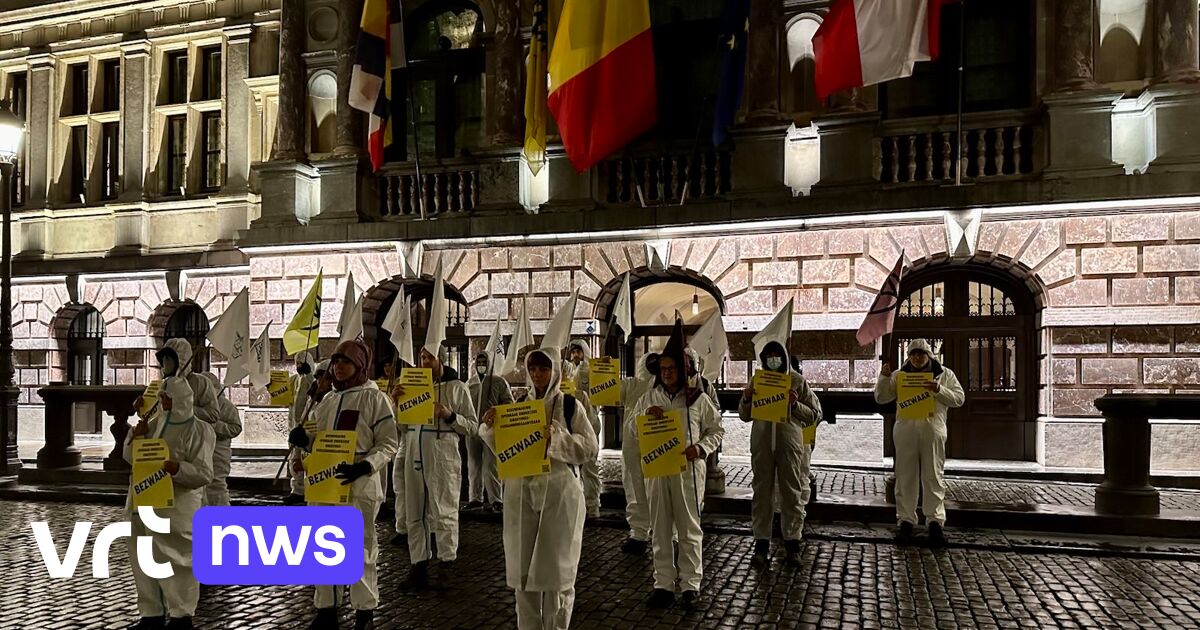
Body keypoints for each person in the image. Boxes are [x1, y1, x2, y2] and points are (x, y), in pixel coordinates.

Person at [479, 348, 598, 630]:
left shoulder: (570, 406)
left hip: (559, 494)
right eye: (533, 370)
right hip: (521, 493)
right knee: (523, 574)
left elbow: (590, 447)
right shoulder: (519, 404)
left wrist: (557, 438)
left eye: (543, 369)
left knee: (557, 572)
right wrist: (492, 426)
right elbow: (503, 447)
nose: (537, 375)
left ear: (554, 371)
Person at [289, 340, 398, 630]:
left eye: (345, 362)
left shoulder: (375, 399)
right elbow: (322, 442)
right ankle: (326, 608)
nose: (338, 367)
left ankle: (364, 612)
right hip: (325, 485)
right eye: (335, 362)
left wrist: (366, 465)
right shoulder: (326, 401)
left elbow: (389, 443)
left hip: (358, 484)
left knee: (360, 548)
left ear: (360, 365)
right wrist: (306, 441)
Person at [632, 327, 724, 609]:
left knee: (688, 529)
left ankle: (690, 585)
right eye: (663, 368)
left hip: (688, 473)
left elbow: (716, 431)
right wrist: (646, 418)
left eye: (672, 368)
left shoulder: (698, 399)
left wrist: (700, 449)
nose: (667, 372)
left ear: (682, 370)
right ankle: (663, 584)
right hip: (658, 471)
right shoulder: (649, 399)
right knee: (659, 529)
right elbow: (634, 430)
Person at [124, 377, 215, 630]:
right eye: (161, 397)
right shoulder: (153, 425)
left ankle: (181, 615)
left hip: (177, 508)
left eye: (167, 398)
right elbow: (130, 457)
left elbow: (204, 473)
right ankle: (151, 613)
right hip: (142, 502)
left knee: (179, 561)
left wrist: (177, 469)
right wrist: (135, 435)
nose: (163, 402)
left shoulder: (200, 430)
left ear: (182, 399)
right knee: (143, 557)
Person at [393, 347, 479, 589]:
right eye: (421, 357)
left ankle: (446, 564)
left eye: (429, 357)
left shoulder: (457, 387)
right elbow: (401, 427)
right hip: (413, 452)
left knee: (444, 509)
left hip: (442, 456)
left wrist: (449, 414)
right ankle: (418, 565)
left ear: (440, 358)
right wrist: (397, 403)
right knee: (414, 511)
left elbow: (472, 427)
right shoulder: (410, 387)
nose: (424, 361)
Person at [738, 340, 822, 569]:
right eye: (769, 356)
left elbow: (815, 415)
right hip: (762, 446)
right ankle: (761, 545)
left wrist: (795, 406)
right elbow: (744, 415)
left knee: (792, 494)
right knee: (761, 495)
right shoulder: (757, 380)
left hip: (790, 447)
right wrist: (746, 398)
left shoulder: (797, 381)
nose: (773, 359)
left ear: (784, 357)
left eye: (777, 355)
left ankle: (792, 545)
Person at [873, 339, 965, 548]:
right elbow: (881, 397)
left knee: (933, 476)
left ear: (929, 355)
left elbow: (959, 398)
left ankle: (934, 523)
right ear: (908, 356)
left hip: (933, 431)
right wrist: (883, 377)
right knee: (905, 478)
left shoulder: (945, 374)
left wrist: (938, 389)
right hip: (905, 431)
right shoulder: (899, 375)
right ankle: (906, 521)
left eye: (921, 354)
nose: (917, 358)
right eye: (913, 354)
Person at [619, 352, 657, 554]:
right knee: (635, 487)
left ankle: (667, 534)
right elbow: (607, 393)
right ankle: (639, 533)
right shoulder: (631, 384)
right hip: (633, 443)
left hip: (657, 443)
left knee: (660, 489)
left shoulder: (663, 388)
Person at [467, 351, 513, 511]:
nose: (481, 364)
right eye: (478, 361)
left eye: (484, 361)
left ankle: (496, 499)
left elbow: (509, 402)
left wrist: (497, 410)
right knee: (473, 464)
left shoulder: (499, 382)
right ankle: (475, 498)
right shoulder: (470, 383)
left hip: (491, 429)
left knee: (491, 464)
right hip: (472, 429)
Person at [567, 339, 602, 518]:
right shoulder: (568, 371)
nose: (575, 355)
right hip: (571, 422)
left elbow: (602, 394)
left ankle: (592, 505)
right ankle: (578, 503)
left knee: (589, 466)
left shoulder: (592, 371)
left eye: (578, 352)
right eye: (573, 352)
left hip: (590, 421)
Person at [199, 372, 243, 507]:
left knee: (217, 484)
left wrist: (214, 426)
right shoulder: (198, 404)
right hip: (201, 449)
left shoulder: (226, 406)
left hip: (219, 451)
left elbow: (235, 428)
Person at [284, 354, 317, 505]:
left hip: (306, 425)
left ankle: (303, 489)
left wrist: (309, 372)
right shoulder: (294, 379)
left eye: (301, 362)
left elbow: (313, 392)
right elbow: (286, 396)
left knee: (303, 458)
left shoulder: (312, 378)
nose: (298, 365)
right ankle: (296, 489)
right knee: (294, 458)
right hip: (295, 425)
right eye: (296, 362)